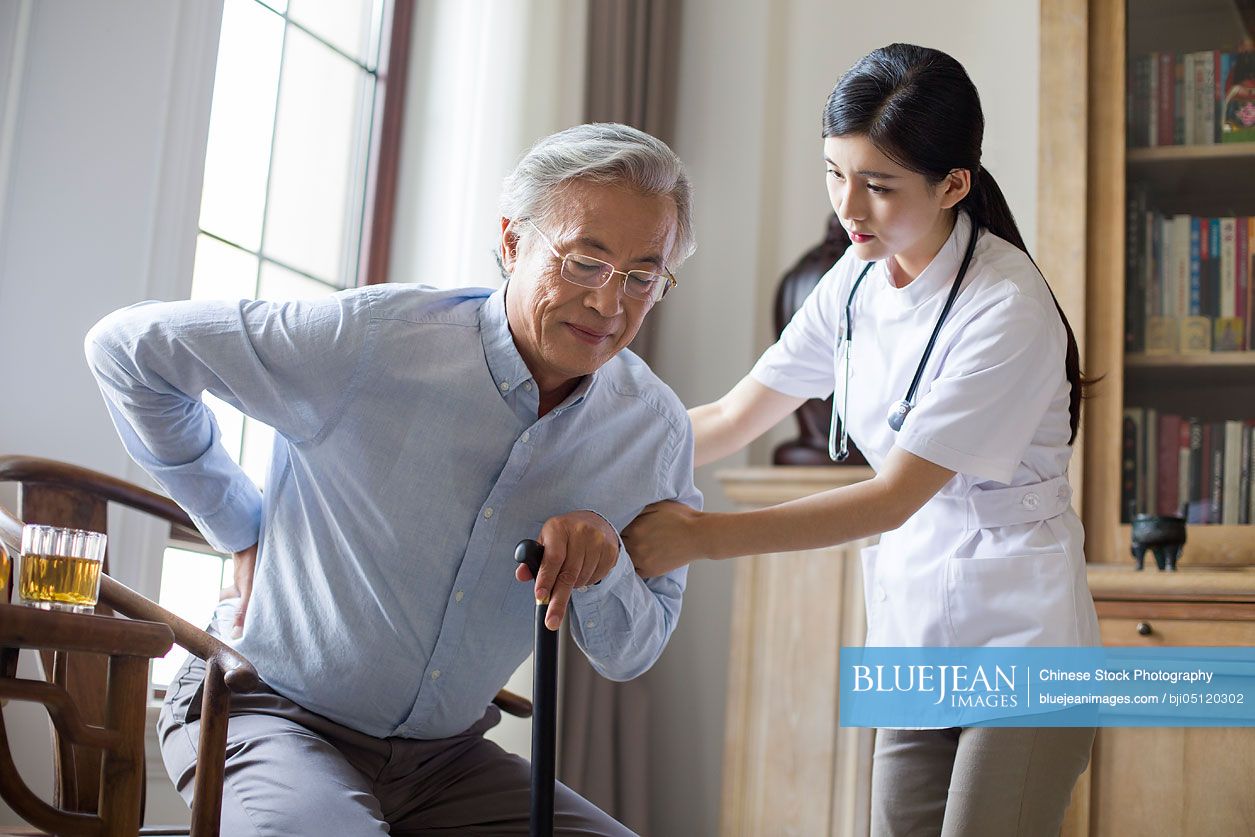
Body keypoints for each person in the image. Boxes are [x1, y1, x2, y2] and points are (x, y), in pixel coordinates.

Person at [85, 122, 700, 836]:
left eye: (640, 277)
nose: (608, 304)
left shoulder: (652, 432)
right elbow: (128, 350)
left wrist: (606, 565)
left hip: (448, 762)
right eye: (584, 262)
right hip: (264, 710)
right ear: (510, 242)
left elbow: (631, 650)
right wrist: (238, 525)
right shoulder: (372, 340)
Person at [623, 44, 1100, 836]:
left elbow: (893, 495)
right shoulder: (852, 280)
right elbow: (735, 416)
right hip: (912, 630)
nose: (849, 207)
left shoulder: (1004, 306)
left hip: (1022, 642)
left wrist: (699, 538)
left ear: (953, 183)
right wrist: (595, 448)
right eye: (833, 173)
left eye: (878, 186)